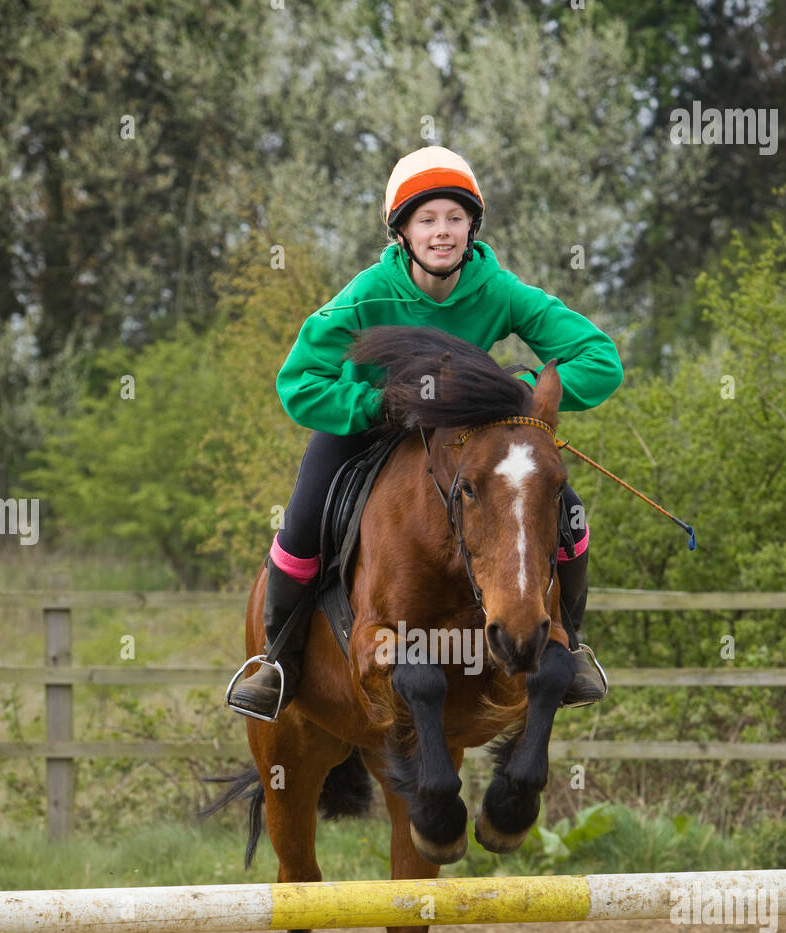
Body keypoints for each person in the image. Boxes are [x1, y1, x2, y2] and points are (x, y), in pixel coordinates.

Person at [227, 145, 622, 720]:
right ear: (402, 233)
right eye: (428, 219)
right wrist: (376, 404)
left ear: (472, 227)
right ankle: (277, 664)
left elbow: (600, 357)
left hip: (463, 436)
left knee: (566, 514)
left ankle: (572, 644)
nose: (443, 232)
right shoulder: (369, 294)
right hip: (369, 428)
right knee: (302, 520)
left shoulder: (500, 290)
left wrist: (519, 392)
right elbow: (299, 382)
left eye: (455, 219)